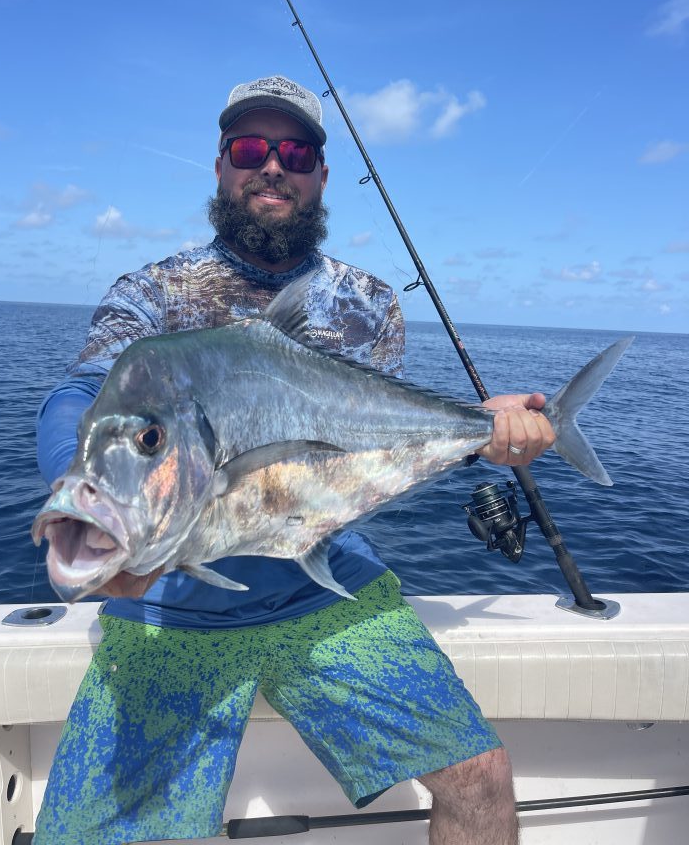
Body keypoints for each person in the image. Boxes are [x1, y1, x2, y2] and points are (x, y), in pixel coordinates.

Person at [34, 74, 555, 845]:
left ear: (319, 175)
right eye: (251, 148)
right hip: (165, 612)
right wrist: (89, 499)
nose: (271, 165)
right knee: (100, 835)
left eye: (295, 151)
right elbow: (77, 397)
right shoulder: (152, 290)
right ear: (220, 165)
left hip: (327, 589)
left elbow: (378, 444)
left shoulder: (368, 301)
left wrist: (483, 434)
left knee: (481, 778)